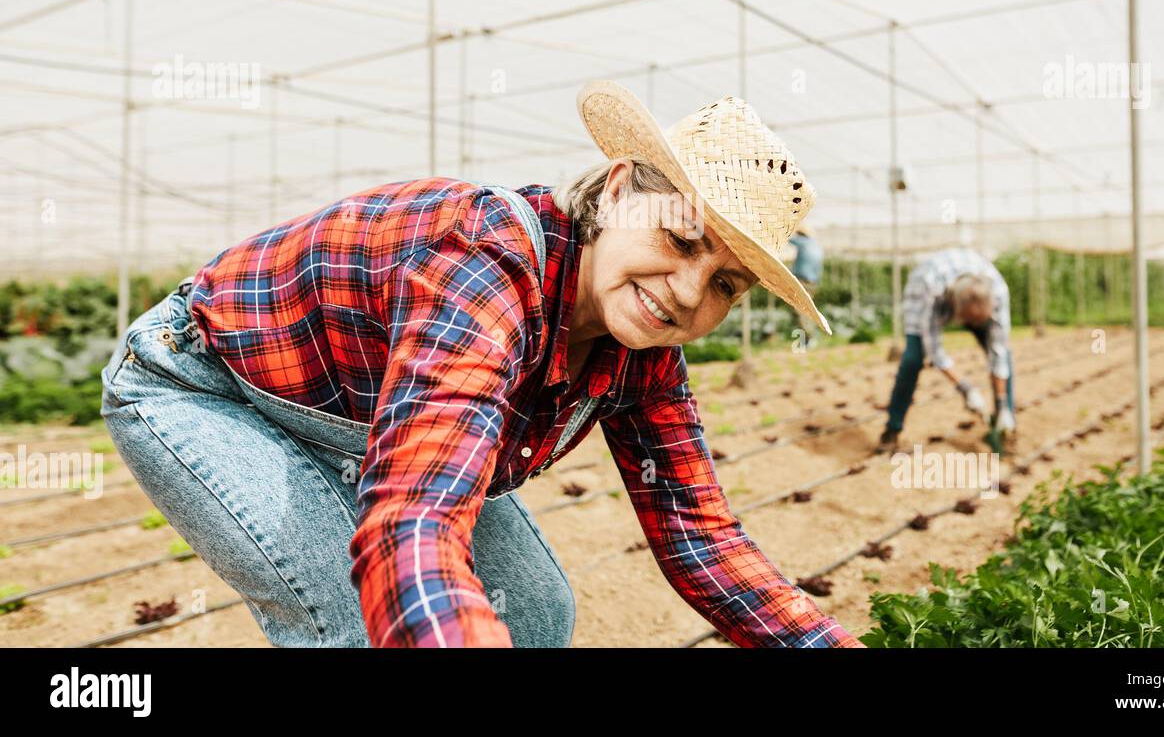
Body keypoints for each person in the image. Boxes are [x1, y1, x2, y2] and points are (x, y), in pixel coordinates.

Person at [99, 80, 864, 649]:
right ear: (624, 188)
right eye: (683, 240)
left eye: (724, 284)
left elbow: (701, 540)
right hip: (204, 382)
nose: (689, 292)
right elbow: (416, 522)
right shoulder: (487, 264)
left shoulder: (643, 356)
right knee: (355, 618)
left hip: (355, 415)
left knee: (533, 612)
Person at [877, 247, 1016, 452]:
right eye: (969, 321)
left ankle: (1005, 423)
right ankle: (892, 429)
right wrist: (965, 388)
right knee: (913, 358)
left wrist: (1003, 404)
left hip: (969, 289)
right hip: (923, 289)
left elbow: (999, 352)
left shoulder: (998, 291)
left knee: (1004, 356)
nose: (974, 326)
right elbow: (933, 349)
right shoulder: (930, 289)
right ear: (955, 311)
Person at [788, 223, 824, 350]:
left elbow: (788, 239)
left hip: (802, 281)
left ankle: (809, 337)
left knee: (798, 310)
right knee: (808, 310)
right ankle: (808, 339)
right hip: (812, 282)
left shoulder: (803, 243)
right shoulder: (816, 247)